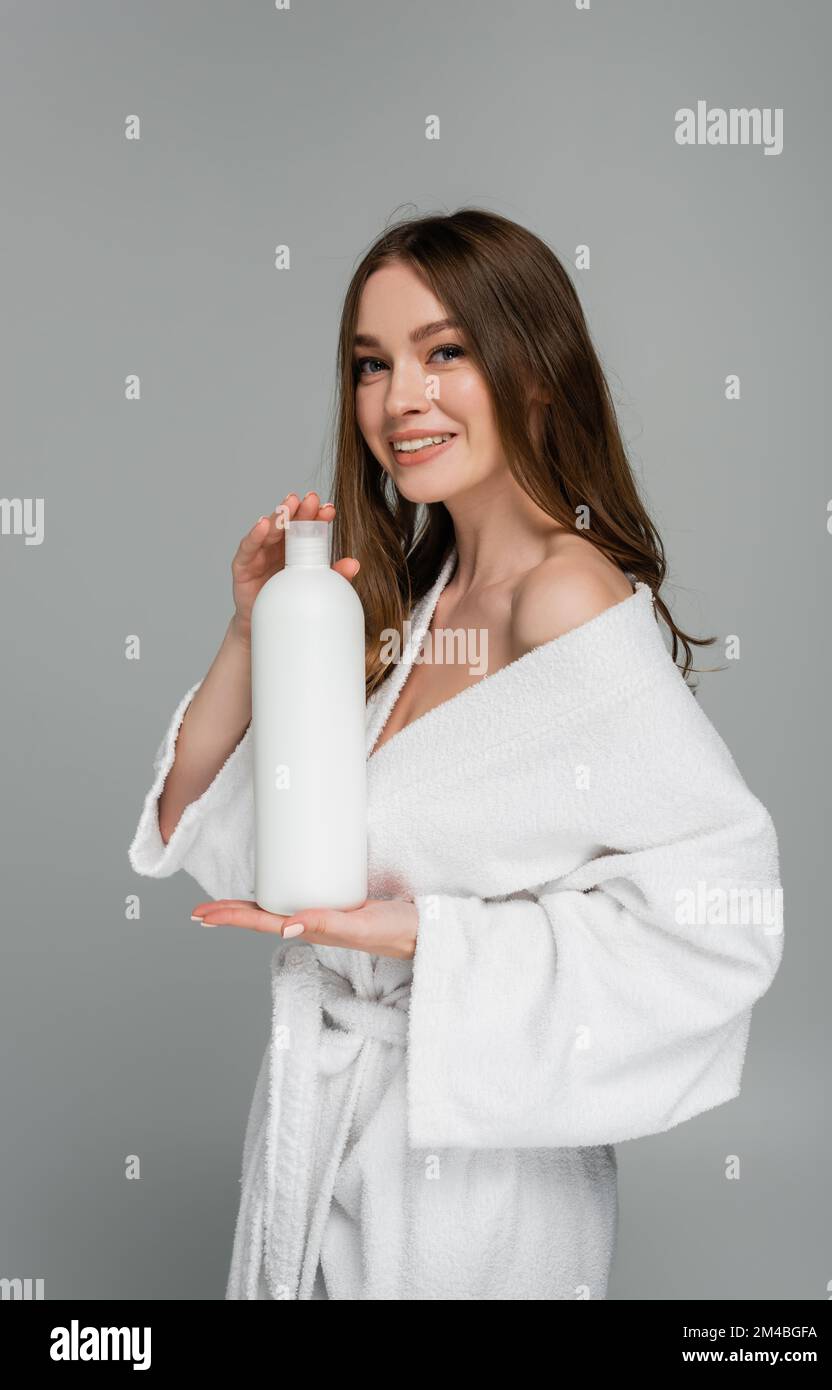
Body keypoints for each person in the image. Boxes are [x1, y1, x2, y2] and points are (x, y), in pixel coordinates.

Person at [128, 208, 784, 1300]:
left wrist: (423, 936)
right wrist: (248, 634)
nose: (401, 399)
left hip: (473, 1188)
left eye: (445, 353)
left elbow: (718, 915)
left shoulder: (563, 596)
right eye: (372, 364)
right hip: (333, 1131)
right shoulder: (418, 602)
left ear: (535, 371)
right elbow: (211, 823)